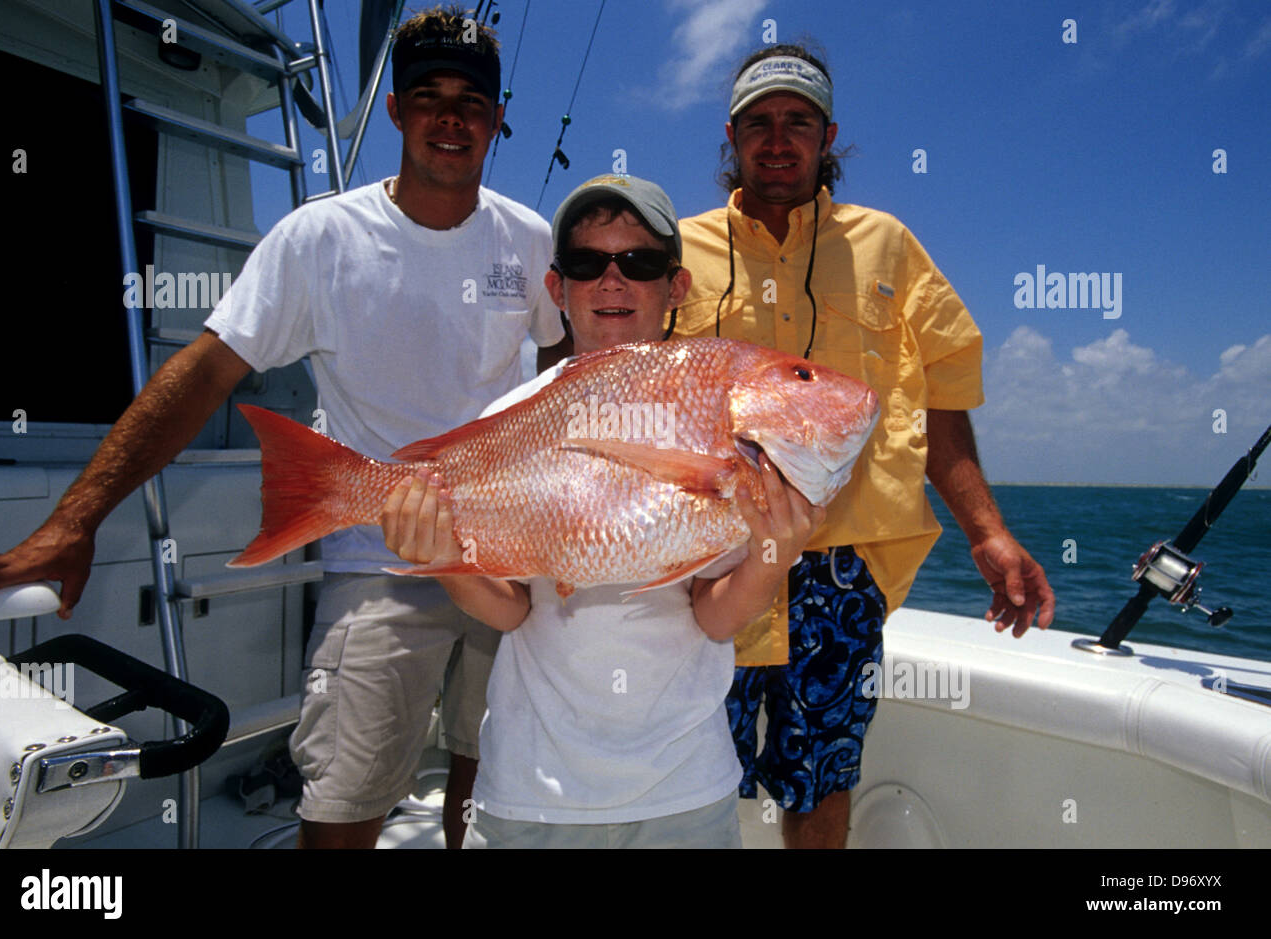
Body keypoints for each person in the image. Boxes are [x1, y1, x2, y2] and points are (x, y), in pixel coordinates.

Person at [0, 6, 566, 849]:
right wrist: (74, 521)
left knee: (493, 778)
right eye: (427, 95)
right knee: (342, 804)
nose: (450, 117)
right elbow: (203, 373)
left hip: (507, 567)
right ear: (394, 111)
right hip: (376, 561)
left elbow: (570, 370)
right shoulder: (319, 237)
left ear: (498, 119)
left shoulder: (530, 236)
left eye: (471, 101)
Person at [674, 43, 1057, 849]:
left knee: (824, 779)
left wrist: (987, 532)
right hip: (712, 560)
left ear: (828, 135)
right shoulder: (677, 250)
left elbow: (942, 398)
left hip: (843, 563)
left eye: (798, 123)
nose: (778, 141)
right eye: (760, 124)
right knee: (687, 770)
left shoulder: (888, 244)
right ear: (732, 137)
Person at [381, 174, 826, 847]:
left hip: (685, 785)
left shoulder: (712, 418)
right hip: (534, 789)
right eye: (587, 264)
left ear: (675, 287)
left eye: (639, 264)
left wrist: (775, 553)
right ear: (557, 290)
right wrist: (442, 557)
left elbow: (713, 613)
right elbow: (512, 608)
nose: (612, 283)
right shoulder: (511, 417)